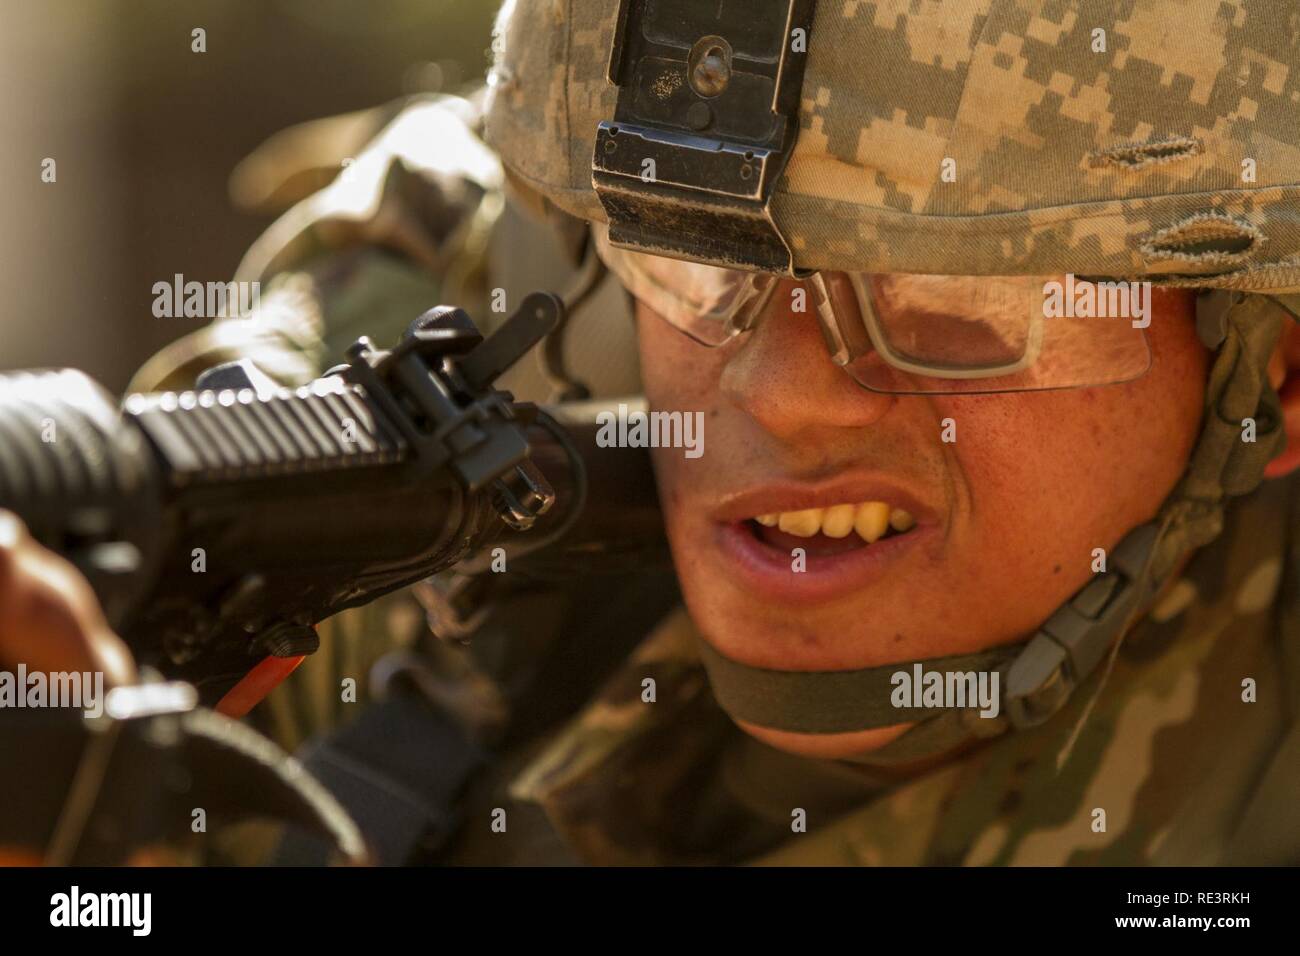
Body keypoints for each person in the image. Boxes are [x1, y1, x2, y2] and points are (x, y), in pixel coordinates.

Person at [20, 0, 1300, 865]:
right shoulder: (381, 484)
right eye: (687, 258)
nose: (784, 396)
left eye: (960, 302)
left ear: (1274, 375)